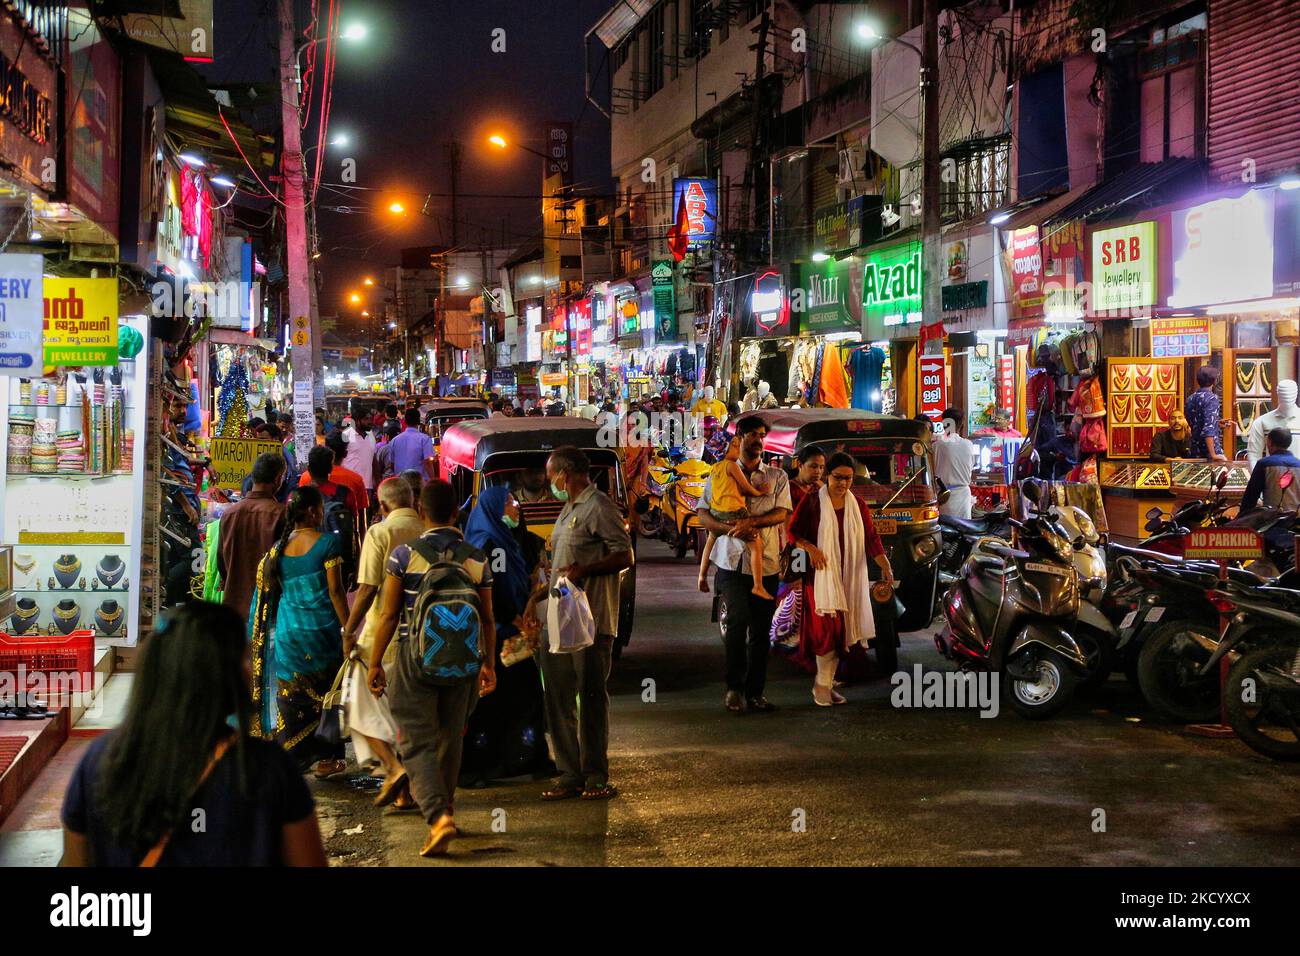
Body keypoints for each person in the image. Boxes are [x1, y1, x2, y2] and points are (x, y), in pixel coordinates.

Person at [60, 602, 327, 866]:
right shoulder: (269, 769)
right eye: (244, 659)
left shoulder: (99, 762)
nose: (251, 671)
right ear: (218, 673)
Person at [367, 480, 496, 857]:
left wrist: (376, 663)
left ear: (421, 514)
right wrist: (488, 664)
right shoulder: (476, 557)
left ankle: (438, 818)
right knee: (451, 737)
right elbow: (487, 617)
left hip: (414, 658)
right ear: (456, 512)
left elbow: (390, 614)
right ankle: (448, 809)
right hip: (465, 661)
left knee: (415, 741)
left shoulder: (403, 555)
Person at [538, 446, 634, 801]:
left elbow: (625, 555)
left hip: (592, 619)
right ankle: (569, 774)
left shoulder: (599, 506)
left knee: (591, 697)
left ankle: (595, 776)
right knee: (558, 698)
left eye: (553, 477)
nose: (551, 484)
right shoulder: (567, 510)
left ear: (567, 474)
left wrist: (585, 571)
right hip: (560, 620)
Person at [248, 486, 350, 776]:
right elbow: (336, 591)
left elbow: (275, 594)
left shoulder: (276, 551)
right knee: (329, 695)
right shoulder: (328, 544)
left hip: (289, 634)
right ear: (312, 511)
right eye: (320, 507)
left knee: (292, 700)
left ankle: (292, 758)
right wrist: (349, 629)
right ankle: (328, 759)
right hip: (323, 635)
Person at [696, 416, 791, 714]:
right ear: (740, 438)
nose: (758, 439)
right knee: (736, 623)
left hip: (766, 562)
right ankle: (734, 689)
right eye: (752, 434)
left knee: (762, 632)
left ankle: (755, 692)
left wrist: (752, 522)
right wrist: (728, 529)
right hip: (731, 562)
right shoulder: (721, 472)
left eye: (762, 435)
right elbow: (703, 514)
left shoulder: (777, 477)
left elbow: (780, 513)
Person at [340, 478, 425, 809]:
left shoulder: (380, 532)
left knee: (357, 709)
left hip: (381, 638)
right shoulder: (426, 529)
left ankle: (392, 768)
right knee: (406, 717)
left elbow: (367, 589)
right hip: (422, 637)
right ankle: (405, 793)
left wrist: (349, 630)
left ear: (382, 505)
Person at [461, 486, 554, 786]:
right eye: (510, 502)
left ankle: (512, 761)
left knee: (510, 699)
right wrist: (518, 620)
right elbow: (493, 597)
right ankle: (494, 764)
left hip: (507, 632)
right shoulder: (489, 545)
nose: (516, 506)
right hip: (496, 635)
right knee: (508, 699)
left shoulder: (503, 541)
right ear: (494, 508)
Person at [787, 452, 895, 706]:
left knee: (843, 636)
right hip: (821, 578)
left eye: (848, 479)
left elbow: (871, 539)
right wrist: (810, 549)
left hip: (851, 577)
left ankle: (825, 684)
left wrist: (885, 565)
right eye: (838, 478)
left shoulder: (858, 505)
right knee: (828, 633)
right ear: (827, 476)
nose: (843, 484)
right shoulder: (812, 501)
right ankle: (821, 687)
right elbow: (793, 533)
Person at [697, 433, 772, 599]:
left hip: (716, 513)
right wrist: (760, 492)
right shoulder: (732, 466)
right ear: (726, 449)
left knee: (711, 539)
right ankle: (758, 585)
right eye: (735, 446)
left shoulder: (715, 468)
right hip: (734, 512)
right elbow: (746, 488)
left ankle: (702, 576)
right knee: (755, 542)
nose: (739, 449)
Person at [218, 452, 286, 624]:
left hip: (234, 608)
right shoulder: (280, 514)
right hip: (269, 609)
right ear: (278, 479)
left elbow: (222, 564)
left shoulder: (228, 514)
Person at [1240, 427, 1300, 512]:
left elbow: (1250, 498)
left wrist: (1241, 518)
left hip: (1271, 522)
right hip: (1296, 521)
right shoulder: (1298, 464)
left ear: (1270, 442)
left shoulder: (1264, 464)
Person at [934, 407, 977, 519]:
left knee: (946, 530)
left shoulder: (937, 445)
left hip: (945, 495)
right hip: (963, 494)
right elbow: (971, 465)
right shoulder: (968, 445)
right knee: (964, 530)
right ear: (961, 425)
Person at [1185, 365, 1227, 462]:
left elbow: (1196, 424)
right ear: (1214, 381)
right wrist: (1213, 454)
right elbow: (1208, 428)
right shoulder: (1212, 398)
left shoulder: (1190, 398)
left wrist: (1217, 423)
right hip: (1208, 452)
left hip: (1194, 450)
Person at [388, 408, 437, 479]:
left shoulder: (395, 440)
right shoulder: (424, 439)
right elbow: (428, 463)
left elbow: (392, 464)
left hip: (401, 482)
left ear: (405, 421)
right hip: (419, 482)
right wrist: (433, 480)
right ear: (418, 421)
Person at [342, 417, 378, 507]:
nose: (370, 421)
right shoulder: (346, 435)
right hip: (349, 485)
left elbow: (373, 459)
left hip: (367, 485)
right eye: (366, 419)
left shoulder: (371, 435)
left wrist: (377, 480)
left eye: (370, 419)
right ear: (357, 421)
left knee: (366, 515)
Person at [788, 446, 826, 511]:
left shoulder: (818, 487)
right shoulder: (788, 488)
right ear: (799, 465)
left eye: (821, 467)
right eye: (814, 466)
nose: (818, 471)